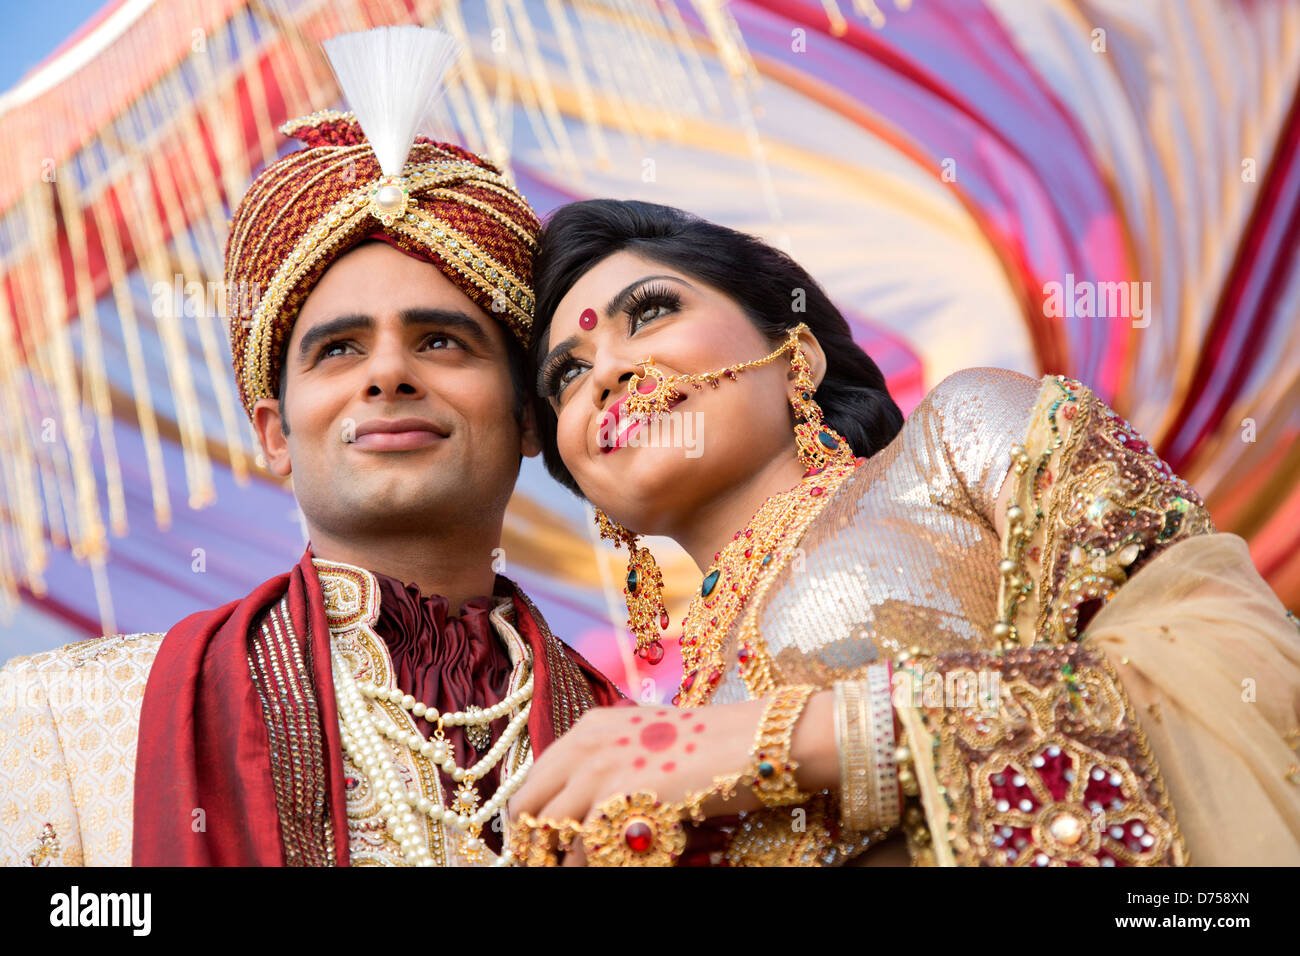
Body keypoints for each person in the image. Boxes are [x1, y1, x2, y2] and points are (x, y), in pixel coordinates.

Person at [506, 198, 1300, 867]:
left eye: (649, 313)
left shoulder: (956, 438)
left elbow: (1226, 659)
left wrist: (795, 741)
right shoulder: (668, 720)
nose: (606, 371)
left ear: (798, 356)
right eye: (566, 374)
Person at [0, 27, 620, 868]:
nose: (390, 373)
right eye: (338, 349)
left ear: (526, 421)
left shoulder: (636, 756)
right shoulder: (63, 725)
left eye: (441, 341)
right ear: (273, 433)